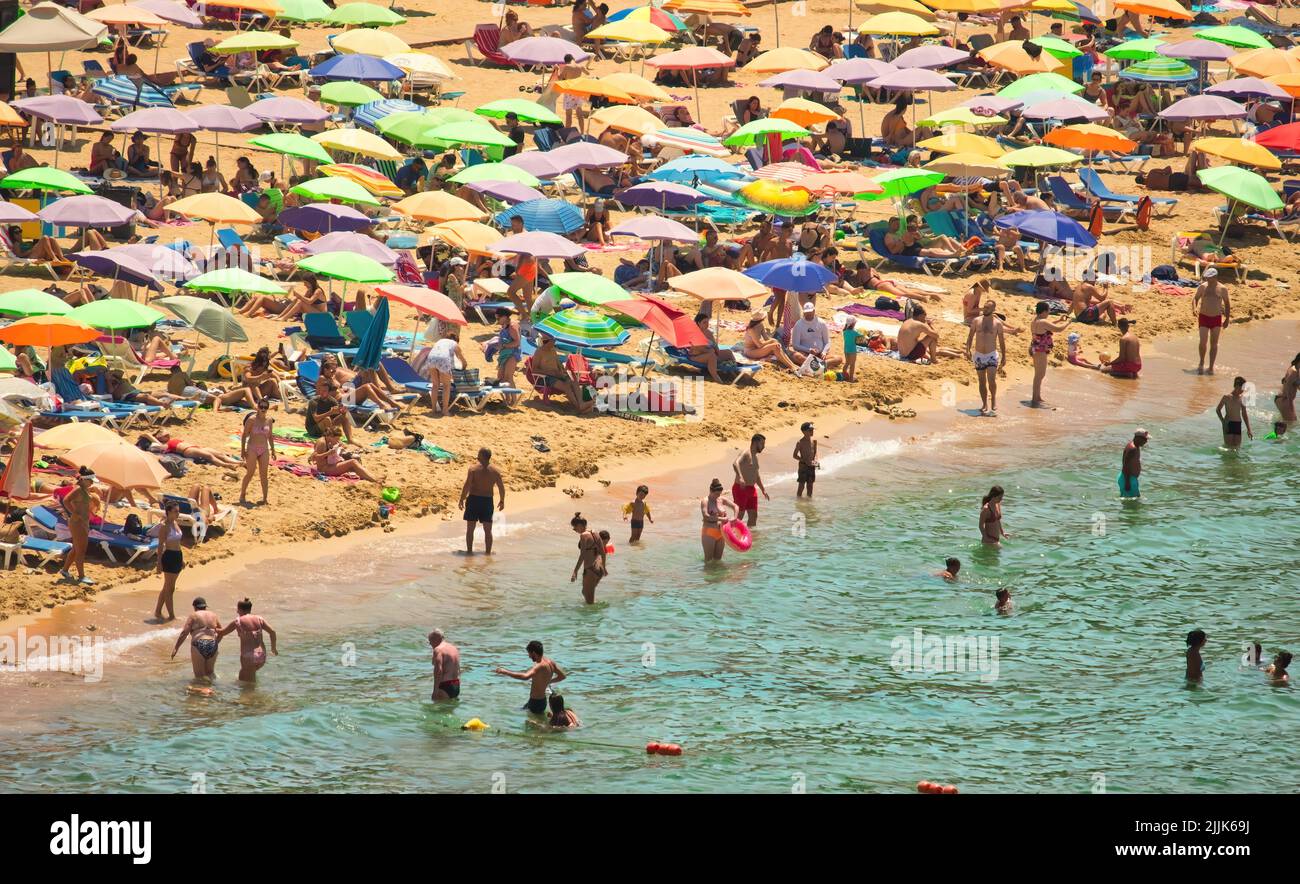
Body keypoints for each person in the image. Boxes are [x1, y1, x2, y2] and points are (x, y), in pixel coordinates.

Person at [495, 640, 566, 716]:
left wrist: (505, 672)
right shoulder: (550, 662)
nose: (529, 656)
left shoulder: (539, 666)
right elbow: (562, 676)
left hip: (536, 702)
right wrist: (548, 681)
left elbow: (525, 676)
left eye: (529, 654)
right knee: (518, 711)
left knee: (531, 725)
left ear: (534, 653)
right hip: (541, 701)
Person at [217, 598, 277, 684]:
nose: (237, 612)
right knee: (242, 677)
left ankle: (250, 697)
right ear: (250, 609)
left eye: (238, 609)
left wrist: (213, 628)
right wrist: (273, 648)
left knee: (250, 686)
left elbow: (223, 632)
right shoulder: (259, 619)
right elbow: (272, 632)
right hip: (261, 655)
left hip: (248, 657)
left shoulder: (238, 621)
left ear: (240, 609)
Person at [964, 300, 1007, 416]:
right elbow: (970, 337)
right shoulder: (976, 321)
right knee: (982, 381)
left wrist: (1004, 356)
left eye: (988, 308)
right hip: (978, 355)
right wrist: (967, 350)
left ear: (993, 309)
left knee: (991, 380)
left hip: (991, 355)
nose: (985, 309)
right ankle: (984, 404)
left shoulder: (998, 324)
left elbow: (1002, 341)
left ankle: (993, 399)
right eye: (984, 307)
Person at [460, 447, 505, 554]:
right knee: (488, 530)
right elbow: (501, 487)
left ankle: (469, 552)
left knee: (470, 529)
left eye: (479, 454)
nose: (477, 455)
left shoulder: (473, 469)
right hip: (487, 502)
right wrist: (502, 500)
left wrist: (461, 499)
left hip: (474, 500)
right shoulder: (495, 471)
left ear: (483, 456)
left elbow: (467, 485)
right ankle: (488, 553)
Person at [1028, 301, 1073, 408]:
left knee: (1038, 375)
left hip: (1035, 348)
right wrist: (1068, 323)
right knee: (1040, 375)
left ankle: (1037, 397)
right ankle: (1035, 398)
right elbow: (1058, 329)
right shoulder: (1042, 322)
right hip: (1040, 351)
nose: (1049, 313)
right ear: (1044, 311)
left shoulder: (1035, 320)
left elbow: (1048, 325)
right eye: (1048, 311)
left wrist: (1059, 320)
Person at [59, 467, 96, 586]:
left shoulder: (84, 489)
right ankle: (81, 576)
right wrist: (74, 513)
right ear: (84, 480)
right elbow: (66, 500)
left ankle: (64, 570)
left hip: (82, 522)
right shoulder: (79, 489)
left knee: (76, 548)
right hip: (77, 522)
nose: (92, 483)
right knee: (81, 550)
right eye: (91, 481)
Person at [170, 597, 222, 681]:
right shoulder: (213, 615)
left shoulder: (194, 615)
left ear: (195, 607)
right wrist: (216, 643)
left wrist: (176, 648)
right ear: (205, 607)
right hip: (213, 644)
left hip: (199, 643)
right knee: (210, 673)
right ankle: (212, 691)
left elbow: (184, 633)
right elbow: (221, 631)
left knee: (199, 677)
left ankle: (203, 693)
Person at [149, 502, 185, 622]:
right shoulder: (164, 526)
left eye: (178, 511)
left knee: (168, 587)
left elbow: (178, 543)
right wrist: (158, 563)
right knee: (170, 588)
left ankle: (158, 611)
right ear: (168, 512)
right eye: (175, 511)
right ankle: (172, 616)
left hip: (177, 555)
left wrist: (182, 559)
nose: (178, 513)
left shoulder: (175, 523)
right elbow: (160, 545)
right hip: (169, 556)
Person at [1192, 267, 1230, 375]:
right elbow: (1195, 298)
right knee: (1203, 342)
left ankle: (1211, 366)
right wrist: (1194, 308)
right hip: (1204, 317)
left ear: (1215, 277)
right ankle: (1201, 362)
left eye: (1210, 278)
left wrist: (1227, 318)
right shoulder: (1203, 287)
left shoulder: (1222, 289)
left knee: (1214, 343)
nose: (1208, 280)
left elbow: (1227, 304)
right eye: (1207, 278)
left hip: (1216, 318)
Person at [239, 399, 276, 506]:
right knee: (250, 473)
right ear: (258, 408)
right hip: (252, 448)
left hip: (264, 449)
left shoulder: (269, 420)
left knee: (264, 475)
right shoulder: (251, 420)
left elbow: (270, 436)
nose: (263, 409)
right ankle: (242, 494)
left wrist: (273, 450)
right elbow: (244, 435)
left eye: (265, 407)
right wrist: (242, 450)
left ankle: (265, 498)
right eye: (261, 407)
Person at [312, 429, 381, 482]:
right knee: (353, 462)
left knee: (354, 465)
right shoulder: (322, 443)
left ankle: (371, 477)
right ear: (330, 436)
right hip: (324, 469)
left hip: (330, 465)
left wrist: (339, 446)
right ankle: (375, 480)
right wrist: (328, 453)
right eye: (336, 439)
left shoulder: (327, 440)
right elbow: (315, 458)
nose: (337, 441)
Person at [790, 302, 844, 370]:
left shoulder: (821, 323)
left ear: (814, 311)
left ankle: (817, 366)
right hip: (806, 354)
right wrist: (809, 350)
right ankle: (818, 366)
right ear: (804, 312)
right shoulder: (798, 325)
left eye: (810, 312)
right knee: (796, 356)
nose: (808, 314)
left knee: (838, 358)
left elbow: (827, 341)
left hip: (820, 354)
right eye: (807, 312)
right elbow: (795, 345)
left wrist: (824, 352)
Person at [731, 434, 768, 528]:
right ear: (755, 442)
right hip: (741, 489)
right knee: (740, 515)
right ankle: (731, 533)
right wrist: (740, 477)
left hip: (752, 489)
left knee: (753, 515)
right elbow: (735, 463)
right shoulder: (746, 453)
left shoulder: (755, 457)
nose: (764, 446)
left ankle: (751, 536)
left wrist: (763, 490)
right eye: (762, 444)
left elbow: (756, 475)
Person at [569, 512, 606, 605]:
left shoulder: (583, 535)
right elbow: (603, 552)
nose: (574, 530)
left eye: (575, 528)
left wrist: (575, 571)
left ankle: (592, 618)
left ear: (580, 525)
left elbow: (582, 555)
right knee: (585, 593)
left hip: (590, 569)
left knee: (589, 602)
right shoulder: (595, 533)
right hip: (599, 569)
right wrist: (604, 568)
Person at [700, 478, 737, 563]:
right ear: (710, 491)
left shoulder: (721, 499)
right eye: (716, 494)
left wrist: (734, 517)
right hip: (709, 532)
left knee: (718, 561)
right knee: (708, 561)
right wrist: (721, 518)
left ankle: (718, 577)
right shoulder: (705, 501)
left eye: (719, 494)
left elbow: (735, 507)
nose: (718, 496)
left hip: (721, 533)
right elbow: (706, 516)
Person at [1216, 376, 1253, 449]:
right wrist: (1223, 421)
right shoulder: (1226, 397)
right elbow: (1218, 410)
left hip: (1237, 424)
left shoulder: (1242, 398)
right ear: (1236, 386)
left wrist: (1249, 429)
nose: (1243, 390)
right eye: (1242, 388)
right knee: (1228, 448)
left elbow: (1244, 413)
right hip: (1228, 423)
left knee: (1237, 448)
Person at [428, 628, 461, 701]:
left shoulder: (438, 649)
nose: (430, 644)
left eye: (430, 642)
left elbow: (438, 671)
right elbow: (458, 669)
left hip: (445, 685)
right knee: (450, 710)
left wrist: (435, 691)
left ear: (435, 639)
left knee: (439, 710)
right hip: (456, 684)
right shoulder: (454, 648)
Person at [1119, 428, 1148, 499]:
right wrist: (1127, 482)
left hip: (1129, 479)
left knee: (1135, 501)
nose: (1146, 441)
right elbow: (1126, 465)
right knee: (1134, 504)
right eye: (1145, 439)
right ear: (1138, 438)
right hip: (1128, 479)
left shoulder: (1135, 446)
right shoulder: (1133, 449)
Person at [794, 421, 818, 498]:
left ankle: (809, 502)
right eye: (810, 430)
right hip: (803, 466)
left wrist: (816, 462)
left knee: (810, 485)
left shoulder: (814, 441)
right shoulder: (800, 442)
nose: (812, 431)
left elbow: (815, 453)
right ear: (804, 432)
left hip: (811, 465)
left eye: (812, 430)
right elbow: (794, 455)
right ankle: (798, 500)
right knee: (801, 485)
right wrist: (804, 460)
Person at [1275, 352, 1299, 425]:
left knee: (1291, 422)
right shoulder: (1294, 371)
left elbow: (1292, 384)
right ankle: (1274, 435)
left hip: (1282, 399)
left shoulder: (1294, 368)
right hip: (1285, 400)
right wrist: (1290, 403)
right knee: (1291, 424)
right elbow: (1288, 386)